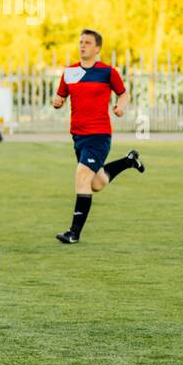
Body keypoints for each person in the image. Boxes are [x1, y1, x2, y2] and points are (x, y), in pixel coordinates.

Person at [51, 29, 144, 244]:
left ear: (97, 48)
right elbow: (60, 95)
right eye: (80, 42)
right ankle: (129, 161)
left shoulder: (107, 72)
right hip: (78, 137)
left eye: (87, 42)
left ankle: (73, 233)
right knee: (96, 183)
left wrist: (120, 107)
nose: (82, 45)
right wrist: (57, 102)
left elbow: (124, 93)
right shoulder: (70, 72)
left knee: (81, 177)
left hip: (99, 135)